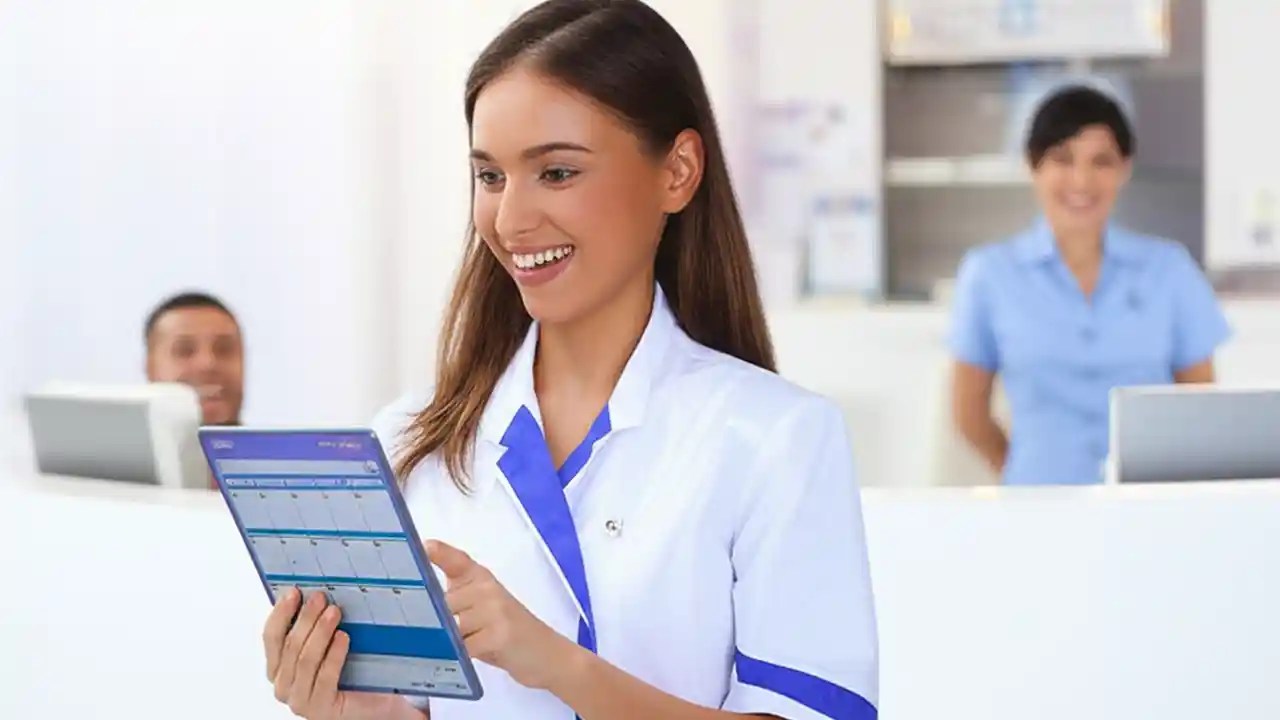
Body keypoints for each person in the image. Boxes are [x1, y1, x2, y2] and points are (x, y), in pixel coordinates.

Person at [258, 1, 879, 718]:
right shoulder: (413, 440)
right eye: (490, 177)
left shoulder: (777, 438)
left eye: (555, 172)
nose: (512, 219)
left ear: (677, 172)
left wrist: (556, 663)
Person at [948, 85, 1231, 486]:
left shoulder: (1169, 270)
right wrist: (1027, 475)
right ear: (1033, 165)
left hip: (1150, 505)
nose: (1082, 180)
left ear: (1125, 169)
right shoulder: (989, 274)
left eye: (1102, 161)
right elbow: (968, 413)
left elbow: (1201, 407)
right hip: (1037, 506)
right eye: (1062, 159)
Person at [144, 291, 244, 426]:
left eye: (224, 349)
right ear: (150, 368)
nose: (208, 364)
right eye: (185, 350)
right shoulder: (114, 446)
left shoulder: (276, 447)